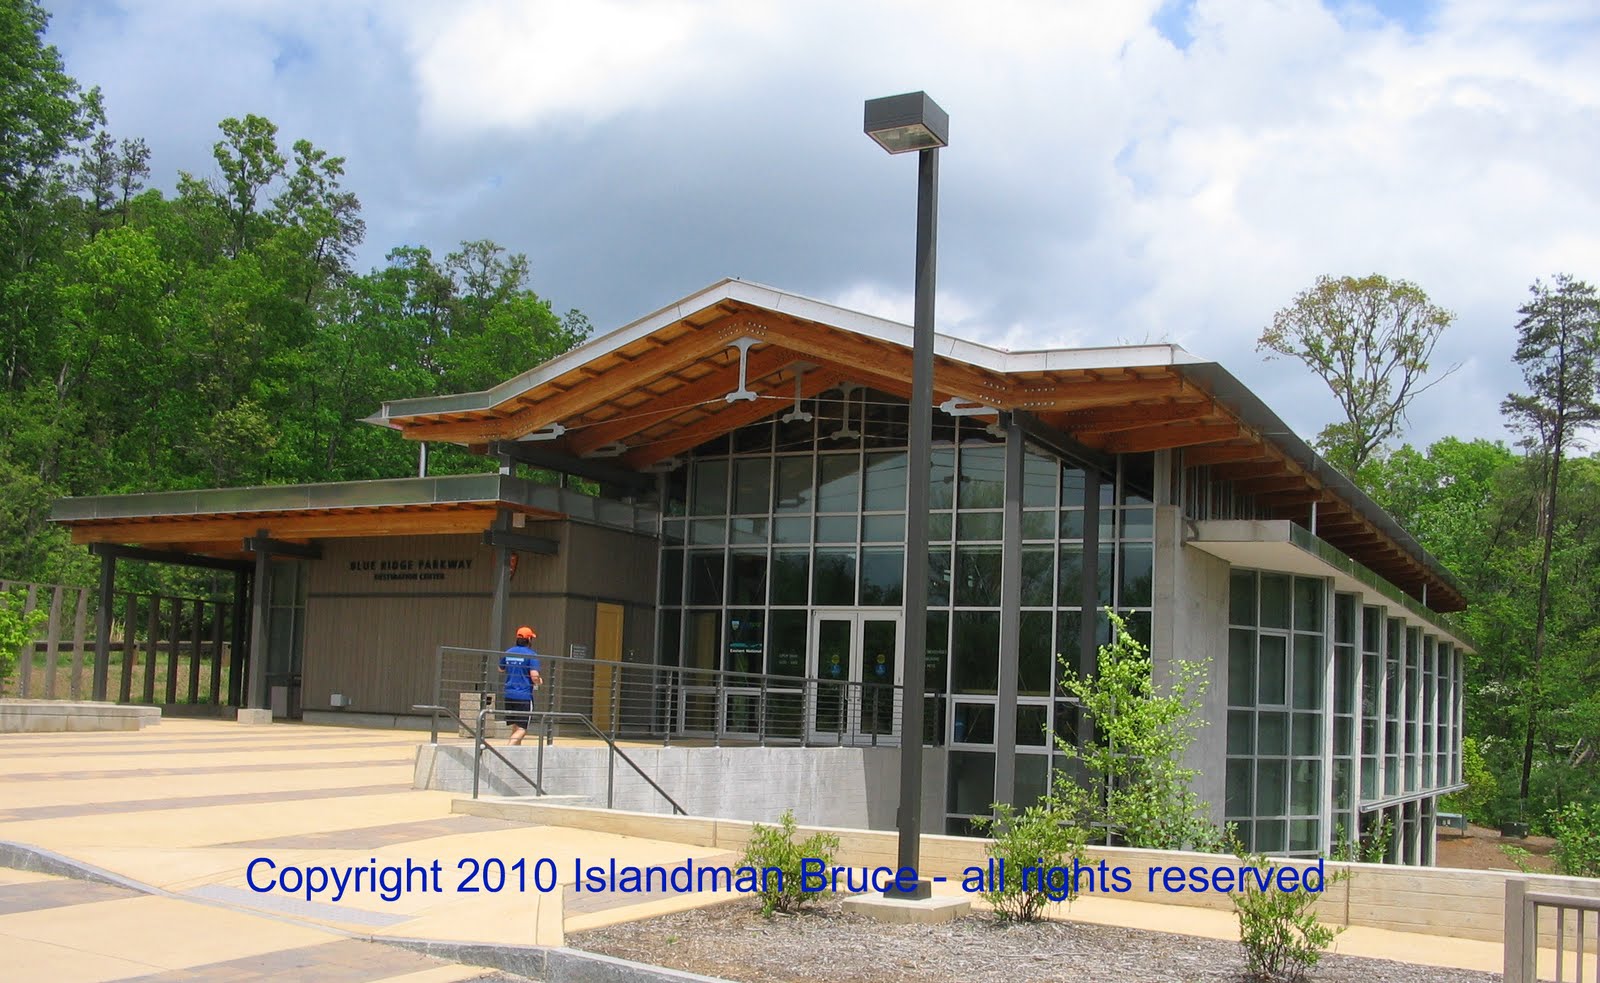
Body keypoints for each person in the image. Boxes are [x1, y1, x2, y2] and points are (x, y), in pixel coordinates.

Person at [498, 626, 542, 745]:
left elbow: (500, 669)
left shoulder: (508, 652)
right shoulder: (531, 655)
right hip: (524, 696)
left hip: (509, 694)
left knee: (515, 726)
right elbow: (534, 676)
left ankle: (515, 751)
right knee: (522, 728)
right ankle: (507, 750)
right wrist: (539, 681)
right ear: (529, 640)